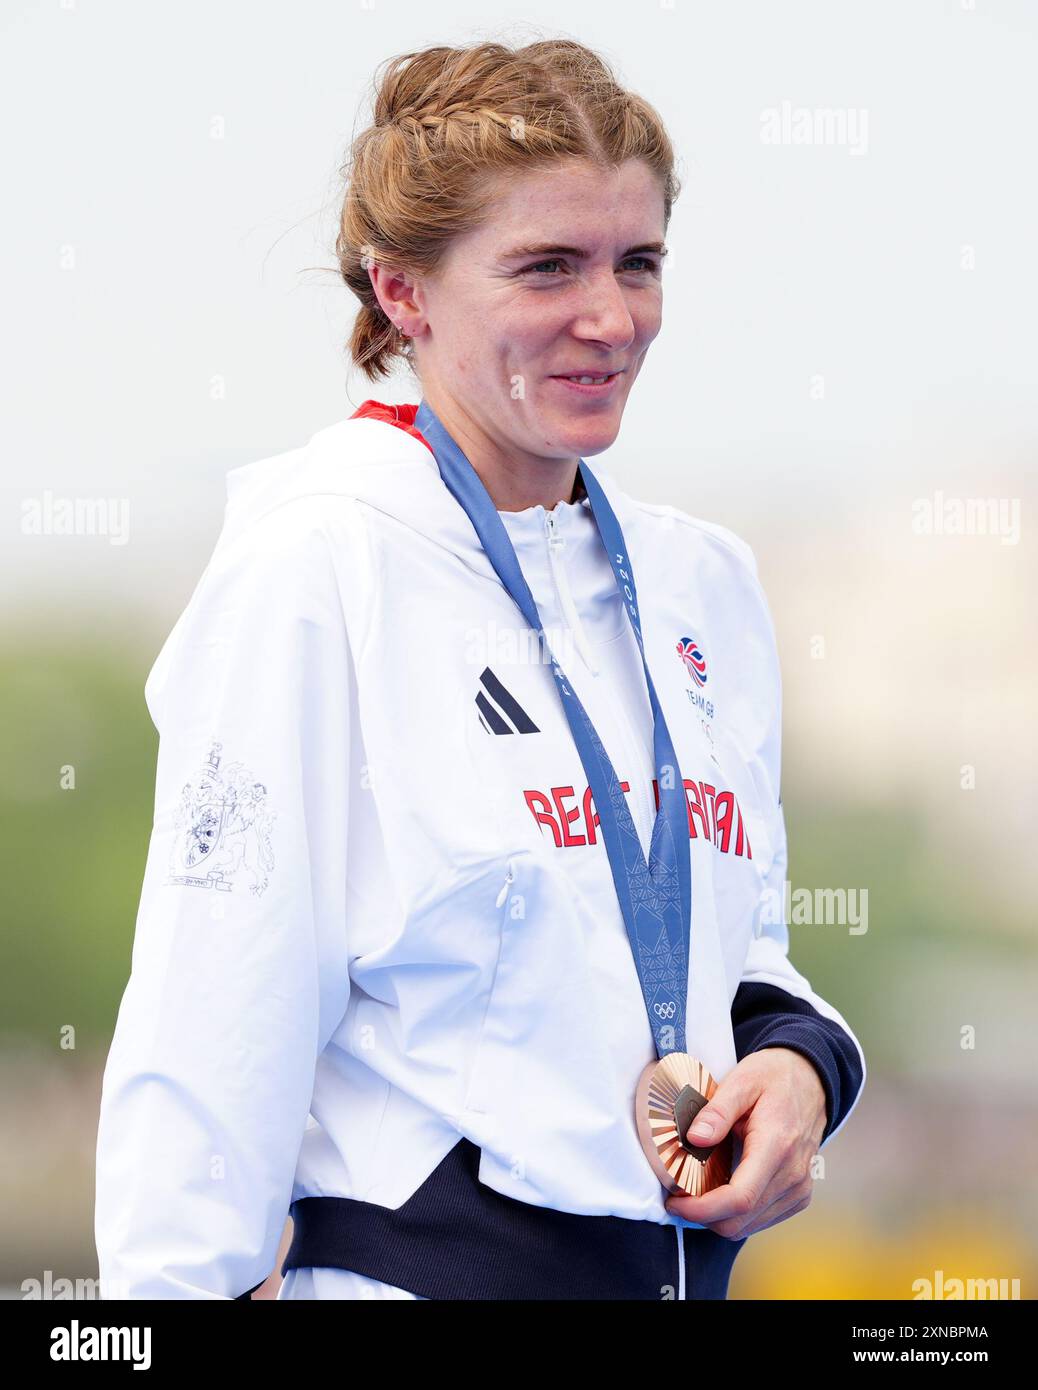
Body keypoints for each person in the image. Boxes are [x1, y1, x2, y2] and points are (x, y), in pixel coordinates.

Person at [94, 37, 865, 1302]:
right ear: (404, 293)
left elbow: (735, 947)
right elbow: (214, 1008)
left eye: (638, 263)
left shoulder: (702, 583)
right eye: (547, 267)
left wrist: (797, 1070)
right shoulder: (319, 560)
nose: (609, 318)